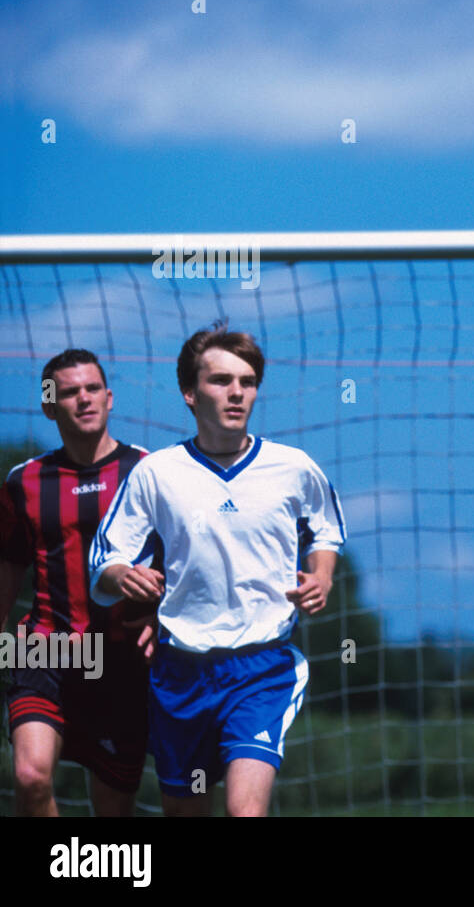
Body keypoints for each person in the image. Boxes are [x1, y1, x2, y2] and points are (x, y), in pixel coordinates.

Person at [89, 323, 346, 817]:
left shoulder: (293, 468)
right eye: (221, 381)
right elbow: (104, 561)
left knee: (243, 812)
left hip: (261, 669)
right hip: (179, 673)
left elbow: (326, 532)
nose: (236, 393)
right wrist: (123, 577)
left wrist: (322, 576)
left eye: (247, 382)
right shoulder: (156, 473)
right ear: (189, 393)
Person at [1, 349, 153, 816]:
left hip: (122, 660)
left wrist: (160, 619)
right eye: (69, 392)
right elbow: (7, 571)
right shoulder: (23, 482)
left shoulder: (150, 472)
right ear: (49, 405)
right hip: (45, 648)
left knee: (112, 811)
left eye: (91, 390)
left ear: (109, 399)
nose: (83, 399)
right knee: (30, 777)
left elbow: (185, 565)